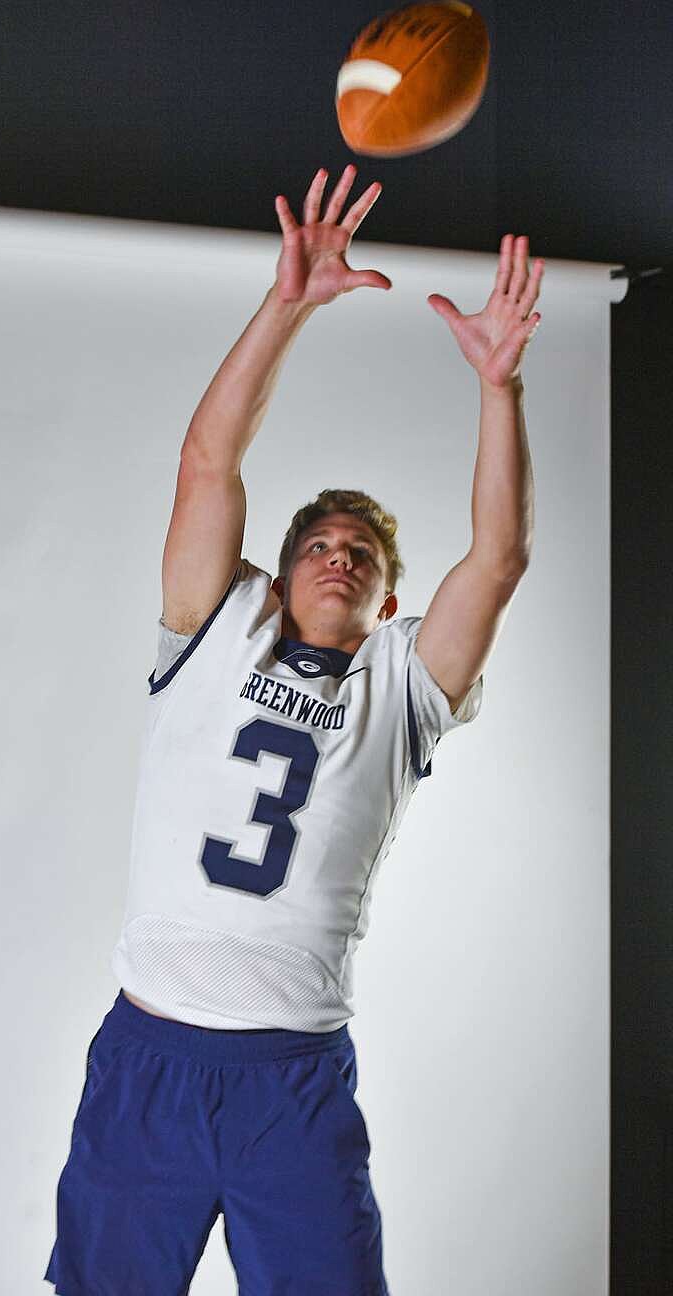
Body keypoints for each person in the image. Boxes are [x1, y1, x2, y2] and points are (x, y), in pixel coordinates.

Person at [44, 164, 543, 1296]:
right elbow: (208, 461)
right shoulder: (212, 627)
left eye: (364, 556)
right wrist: (290, 305)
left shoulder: (401, 689)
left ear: (387, 604)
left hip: (293, 1075)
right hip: (152, 1057)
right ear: (280, 565)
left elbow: (500, 560)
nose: (339, 556)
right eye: (320, 540)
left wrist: (499, 387)